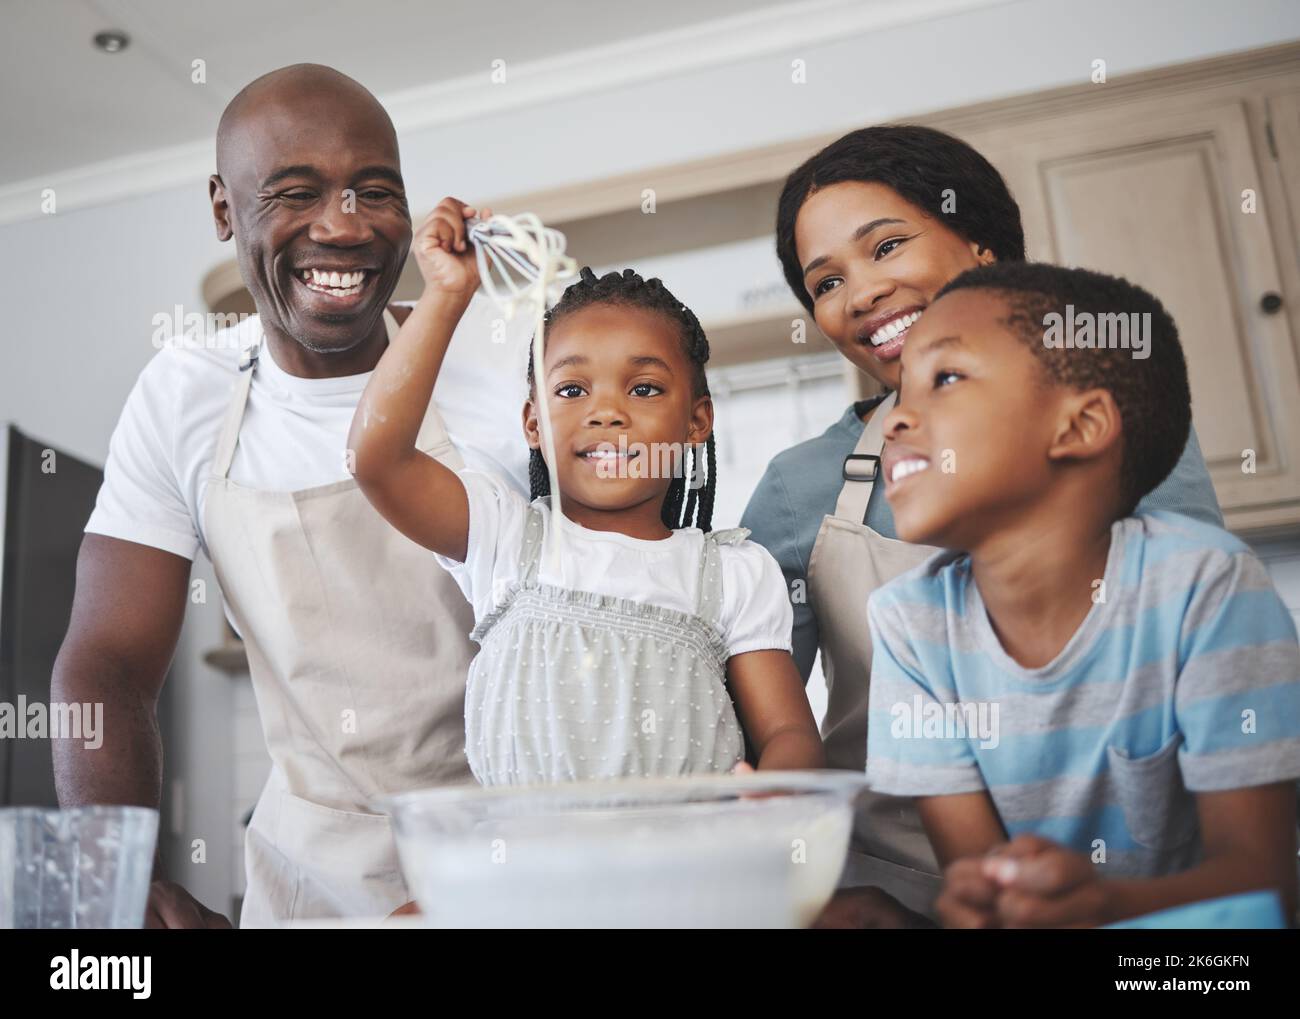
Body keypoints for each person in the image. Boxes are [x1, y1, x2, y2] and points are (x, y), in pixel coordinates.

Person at [51, 65, 533, 927]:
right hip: (310, 884)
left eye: (375, 191)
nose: (343, 227)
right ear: (223, 209)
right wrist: (114, 879)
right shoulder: (186, 395)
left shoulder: (501, 372)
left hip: (509, 860)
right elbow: (107, 663)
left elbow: (604, 633)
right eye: (295, 191)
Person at [744, 125, 1223, 924]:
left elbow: (1193, 662)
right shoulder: (801, 489)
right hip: (905, 896)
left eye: (887, 246)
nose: (858, 294)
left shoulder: (1112, 423)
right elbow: (766, 732)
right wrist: (812, 886)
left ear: (983, 248)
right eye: (824, 283)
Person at [865, 262, 1300, 927]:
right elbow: (980, 881)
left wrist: (1104, 910)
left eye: (945, 378)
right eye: (899, 392)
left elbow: (1264, 884)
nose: (895, 418)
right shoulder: (907, 624)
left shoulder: (1206, 586)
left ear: (1079, 425)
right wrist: (984, 902)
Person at [348, 198, 825, 783]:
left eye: (644, 389)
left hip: (687, 864)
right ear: (533, 423)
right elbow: (376, 460)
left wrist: (777, 794)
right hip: (530, 870)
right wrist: (447, 294)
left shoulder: (731, 574)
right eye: (572, 390)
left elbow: (788, 733)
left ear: (697, 421)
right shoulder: (502, 537)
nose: (606, 412)